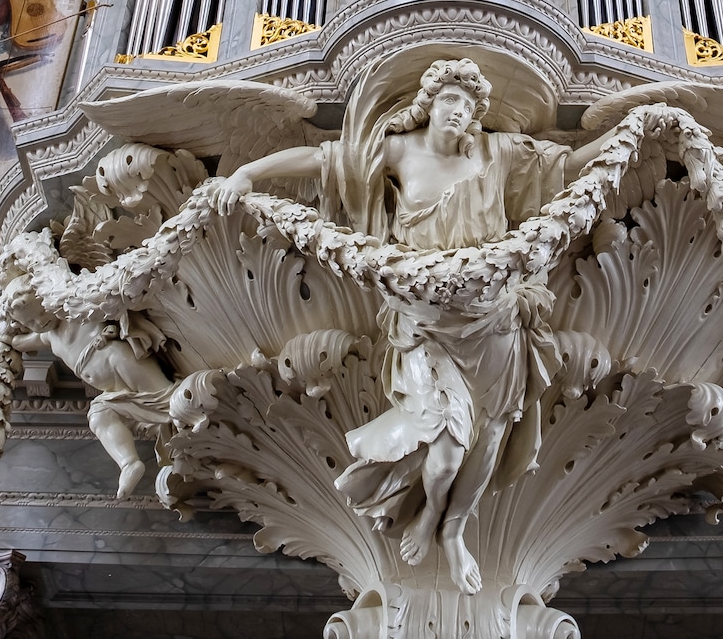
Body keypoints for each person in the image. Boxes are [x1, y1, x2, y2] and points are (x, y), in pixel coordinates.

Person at [209, 59, 629, 593]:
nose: (460, 112)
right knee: (448, 447)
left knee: (488, 439)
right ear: (429, 104)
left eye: (470, 105)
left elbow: (566, 165)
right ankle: (431, 509)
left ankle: (451, 530)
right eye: (451, 100)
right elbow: (324, 160)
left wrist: (628, 132)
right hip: (425, 322)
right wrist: (248, 173)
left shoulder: (496, 153)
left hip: (495, 320)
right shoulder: (400, 151)